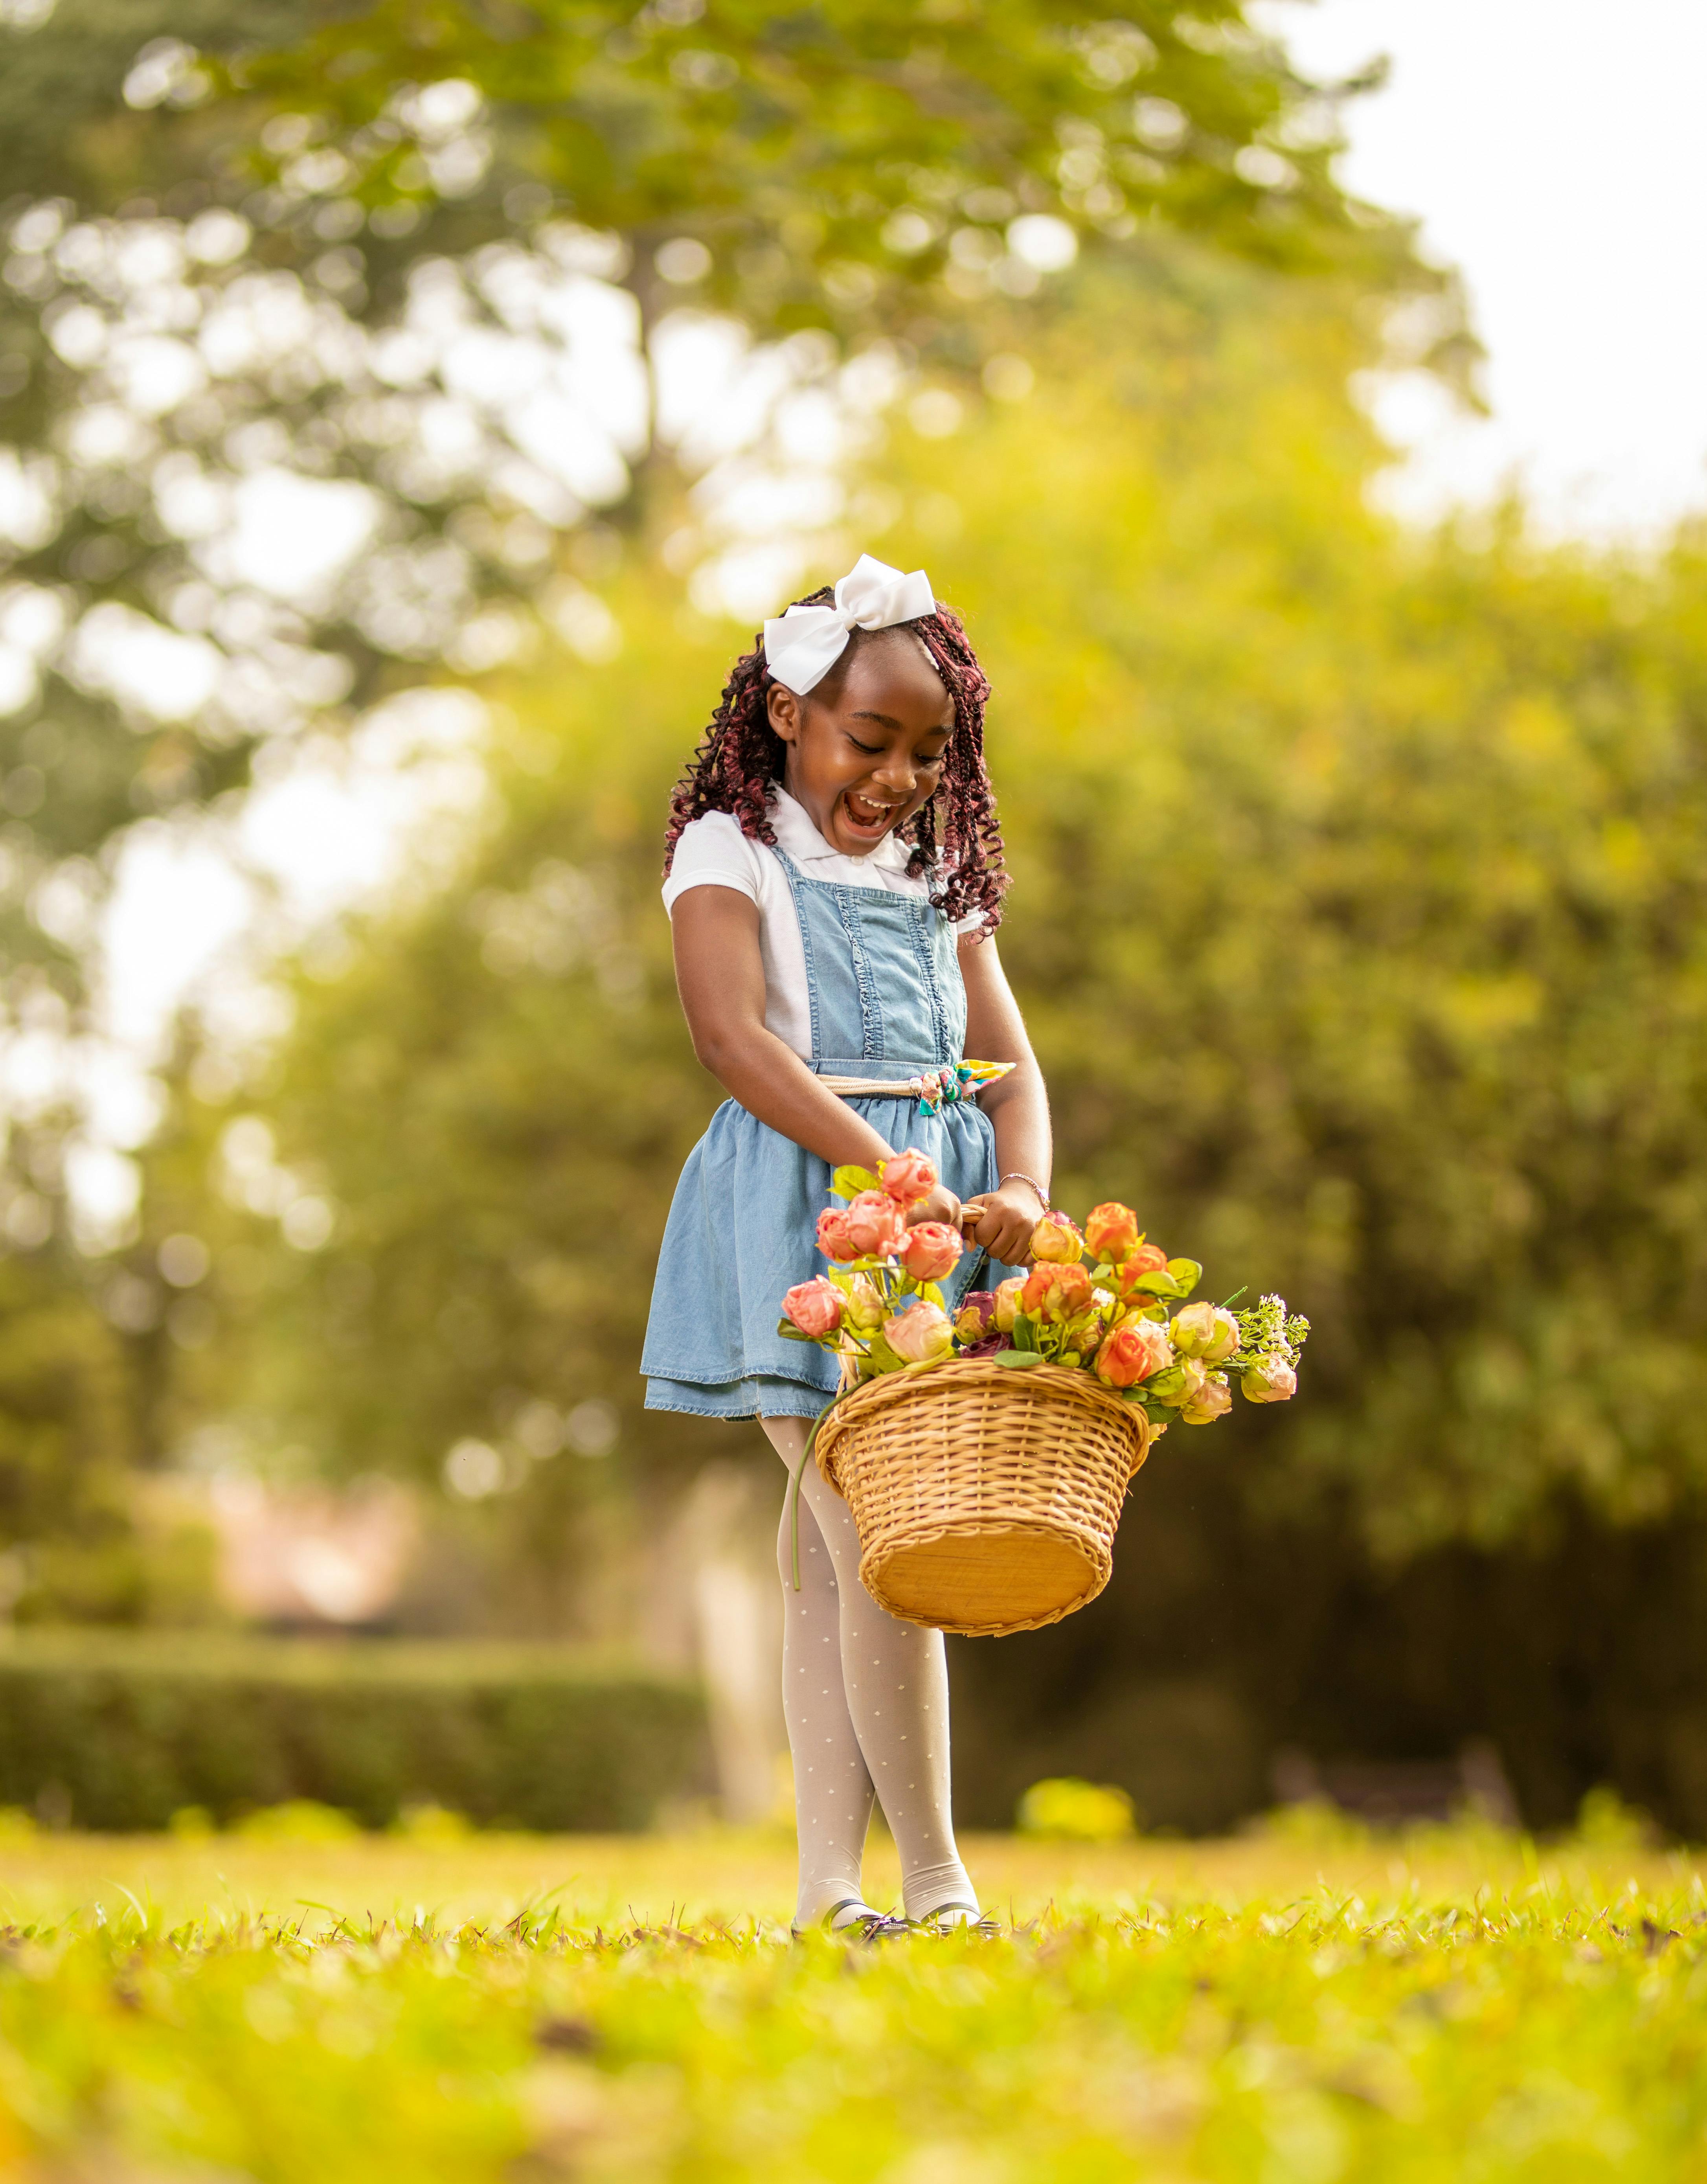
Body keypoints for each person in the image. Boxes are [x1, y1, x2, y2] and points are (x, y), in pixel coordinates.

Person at [641, 554, 1051, 1938]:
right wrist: (886, 1165)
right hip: (805, 1210)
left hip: (937, 1222)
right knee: (879, 1525)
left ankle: (831, 1892)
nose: (897, 777)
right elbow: (732, 1035)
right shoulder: (733, 847)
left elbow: (1008, 1060)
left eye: (929, 752)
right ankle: (937, 1881)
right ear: (783, 716)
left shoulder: (942, 869)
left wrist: (1028, 1193)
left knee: (838, 1551)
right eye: (868, 742)